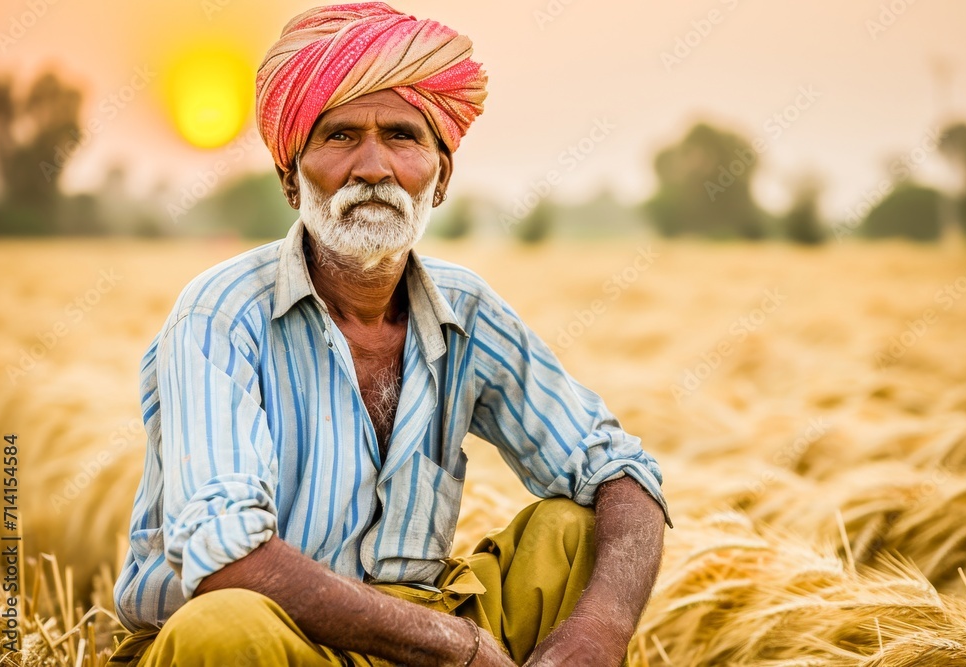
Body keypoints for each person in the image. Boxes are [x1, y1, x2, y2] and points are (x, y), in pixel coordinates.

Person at [111, 3, 671, 665]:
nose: (372, 166)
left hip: (413, 628)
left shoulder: (468, 312)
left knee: (572, 531)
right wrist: (456, 648)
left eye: (402, 136)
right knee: (221, 627)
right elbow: (227, 560)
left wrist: (598, 631)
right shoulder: (221, 313)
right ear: (292, 177)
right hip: (276, 638)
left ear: (440, 178)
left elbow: (623, 471)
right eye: (341, 135)